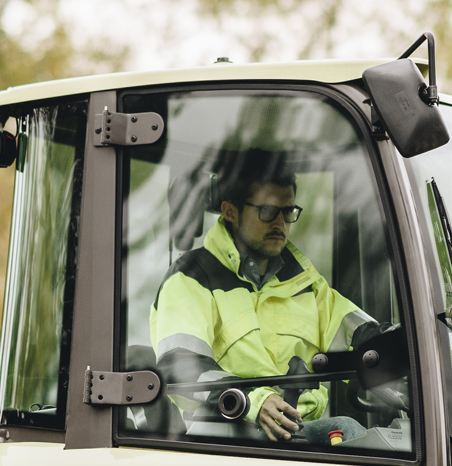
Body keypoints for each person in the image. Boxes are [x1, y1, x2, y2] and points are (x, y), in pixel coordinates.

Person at [151, 150, 372, 440]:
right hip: (221, 437)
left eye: (289, 212)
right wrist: (254, 400)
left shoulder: (304, 281)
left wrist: (398, 350)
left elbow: (360, 334)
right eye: (268, 211)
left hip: (295, 434)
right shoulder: (192, 278)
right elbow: (179, 364)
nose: (280, 223)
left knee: (359, 437)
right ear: (230, 211)